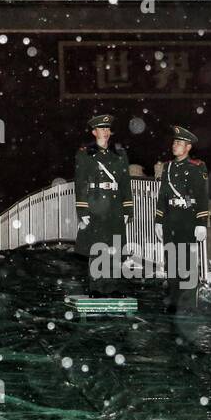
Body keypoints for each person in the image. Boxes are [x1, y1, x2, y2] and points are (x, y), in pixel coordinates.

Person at [74, 114, 133, 296]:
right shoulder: (85, 154)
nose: (105, 132)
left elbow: (125, 182)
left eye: (107, 129)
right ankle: (97, 287)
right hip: (96, 203)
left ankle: (112, 286)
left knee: (114, 244)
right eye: (102, 129)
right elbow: (80, 182)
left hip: (115, 204)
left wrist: (127, 208)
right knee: (98, 245)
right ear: (94, 132)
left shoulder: (119, 154)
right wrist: (82, 209)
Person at [154, 125, 209, 312]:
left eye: (179, 143)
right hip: (170, 221)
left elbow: (202, 195)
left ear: (188, 147)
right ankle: (174, 300)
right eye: (174, 142)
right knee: (171, 261)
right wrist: (159, 221)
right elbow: (162, 196)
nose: (175, 145)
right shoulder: (167, 167)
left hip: (188, 221)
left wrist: (201, 223)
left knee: (187, 262)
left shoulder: (197, 166)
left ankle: (188, 304)